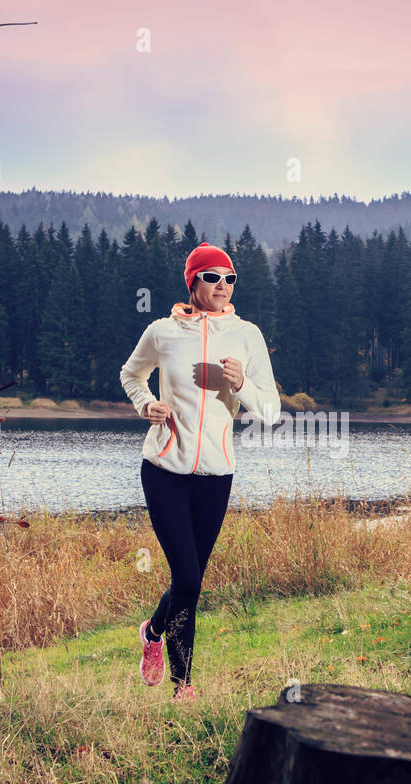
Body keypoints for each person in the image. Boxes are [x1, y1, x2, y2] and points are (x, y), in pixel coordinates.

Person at [119, 241, 281, 702]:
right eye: (213, 277)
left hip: (216, 475)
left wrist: (241, 383)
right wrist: (147, 403)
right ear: (193, 282)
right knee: (188, 579)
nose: (223, 286)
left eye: (230, 279)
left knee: (188, 580)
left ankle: (152, 631)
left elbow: (270, 409)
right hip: (164, 469)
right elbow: (131, 375)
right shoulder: (162, 332)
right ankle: (182, 686)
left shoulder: (246, 334)